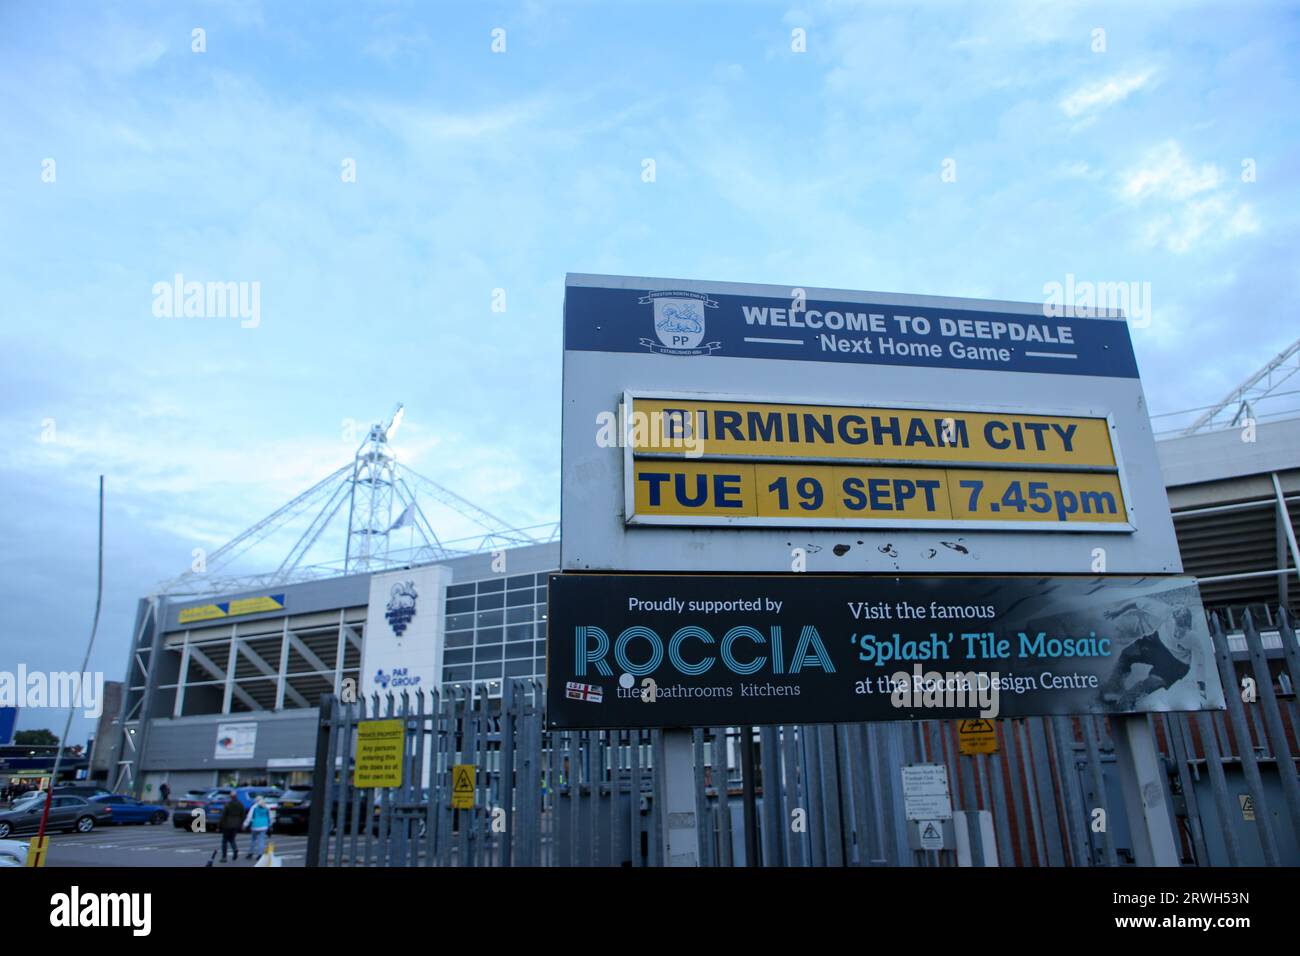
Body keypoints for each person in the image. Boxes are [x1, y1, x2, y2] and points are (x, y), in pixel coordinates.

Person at [244, 795, 272, 860]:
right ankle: (260, 854)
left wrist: (245, 824)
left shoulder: (254, 807)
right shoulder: (266, 807)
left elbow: (249, 816)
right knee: (261, 840)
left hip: (255, 825)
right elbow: (270, 817)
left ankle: (250, 853)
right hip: (264, 825)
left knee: (253, 840)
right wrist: (270, 825)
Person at [218, 796, 243, 862]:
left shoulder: (228, 805)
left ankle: (224, 857)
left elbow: (224, 815)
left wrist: (219, 825)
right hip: (236, 824)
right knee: (232, 839)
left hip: (227, 825)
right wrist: (240, 823)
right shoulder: (240, 805)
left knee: (224, 841)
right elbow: (242, 815)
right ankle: (235, 849)